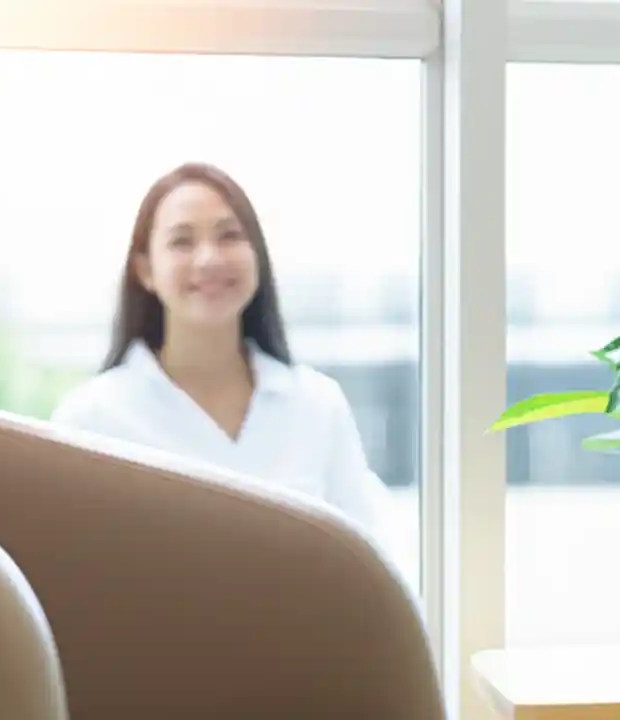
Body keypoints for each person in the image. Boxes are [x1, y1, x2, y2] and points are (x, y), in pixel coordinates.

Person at [51, 162, 400, 566]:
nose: (209, 259)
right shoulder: (91, 418)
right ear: (145, 270)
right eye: (182, 241)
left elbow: (370, 565)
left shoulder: (318, 405)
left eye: (230, 236)